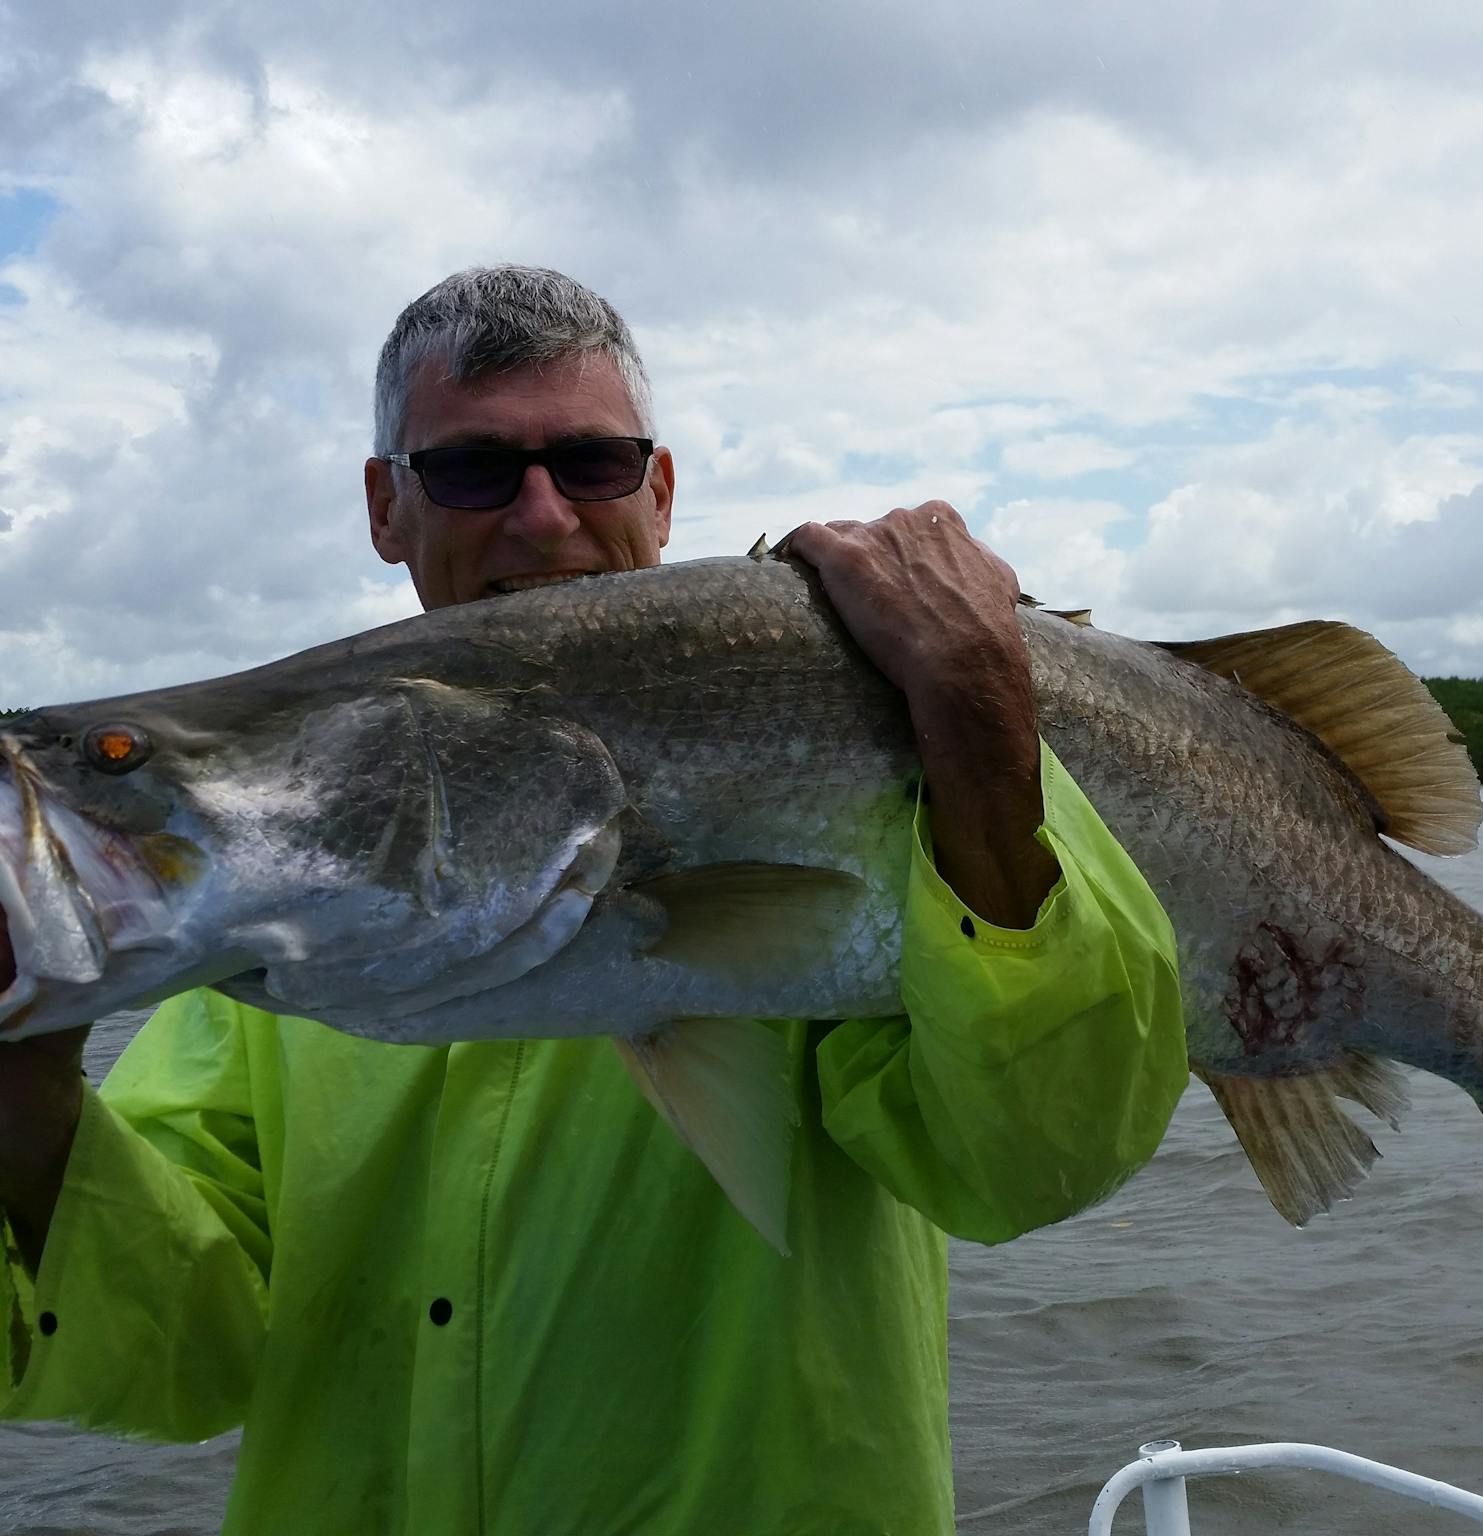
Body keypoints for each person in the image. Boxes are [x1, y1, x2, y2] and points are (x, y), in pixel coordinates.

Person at [0, 265, 1187, 1534]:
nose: (543, 516)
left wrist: (980, 738)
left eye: (594, 464)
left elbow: (1027, 1164)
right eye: (470, 470)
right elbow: (184, 1356)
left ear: (661, 492)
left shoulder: (901, 728)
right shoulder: (263, 951)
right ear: (384, 505)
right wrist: (25, 1060)